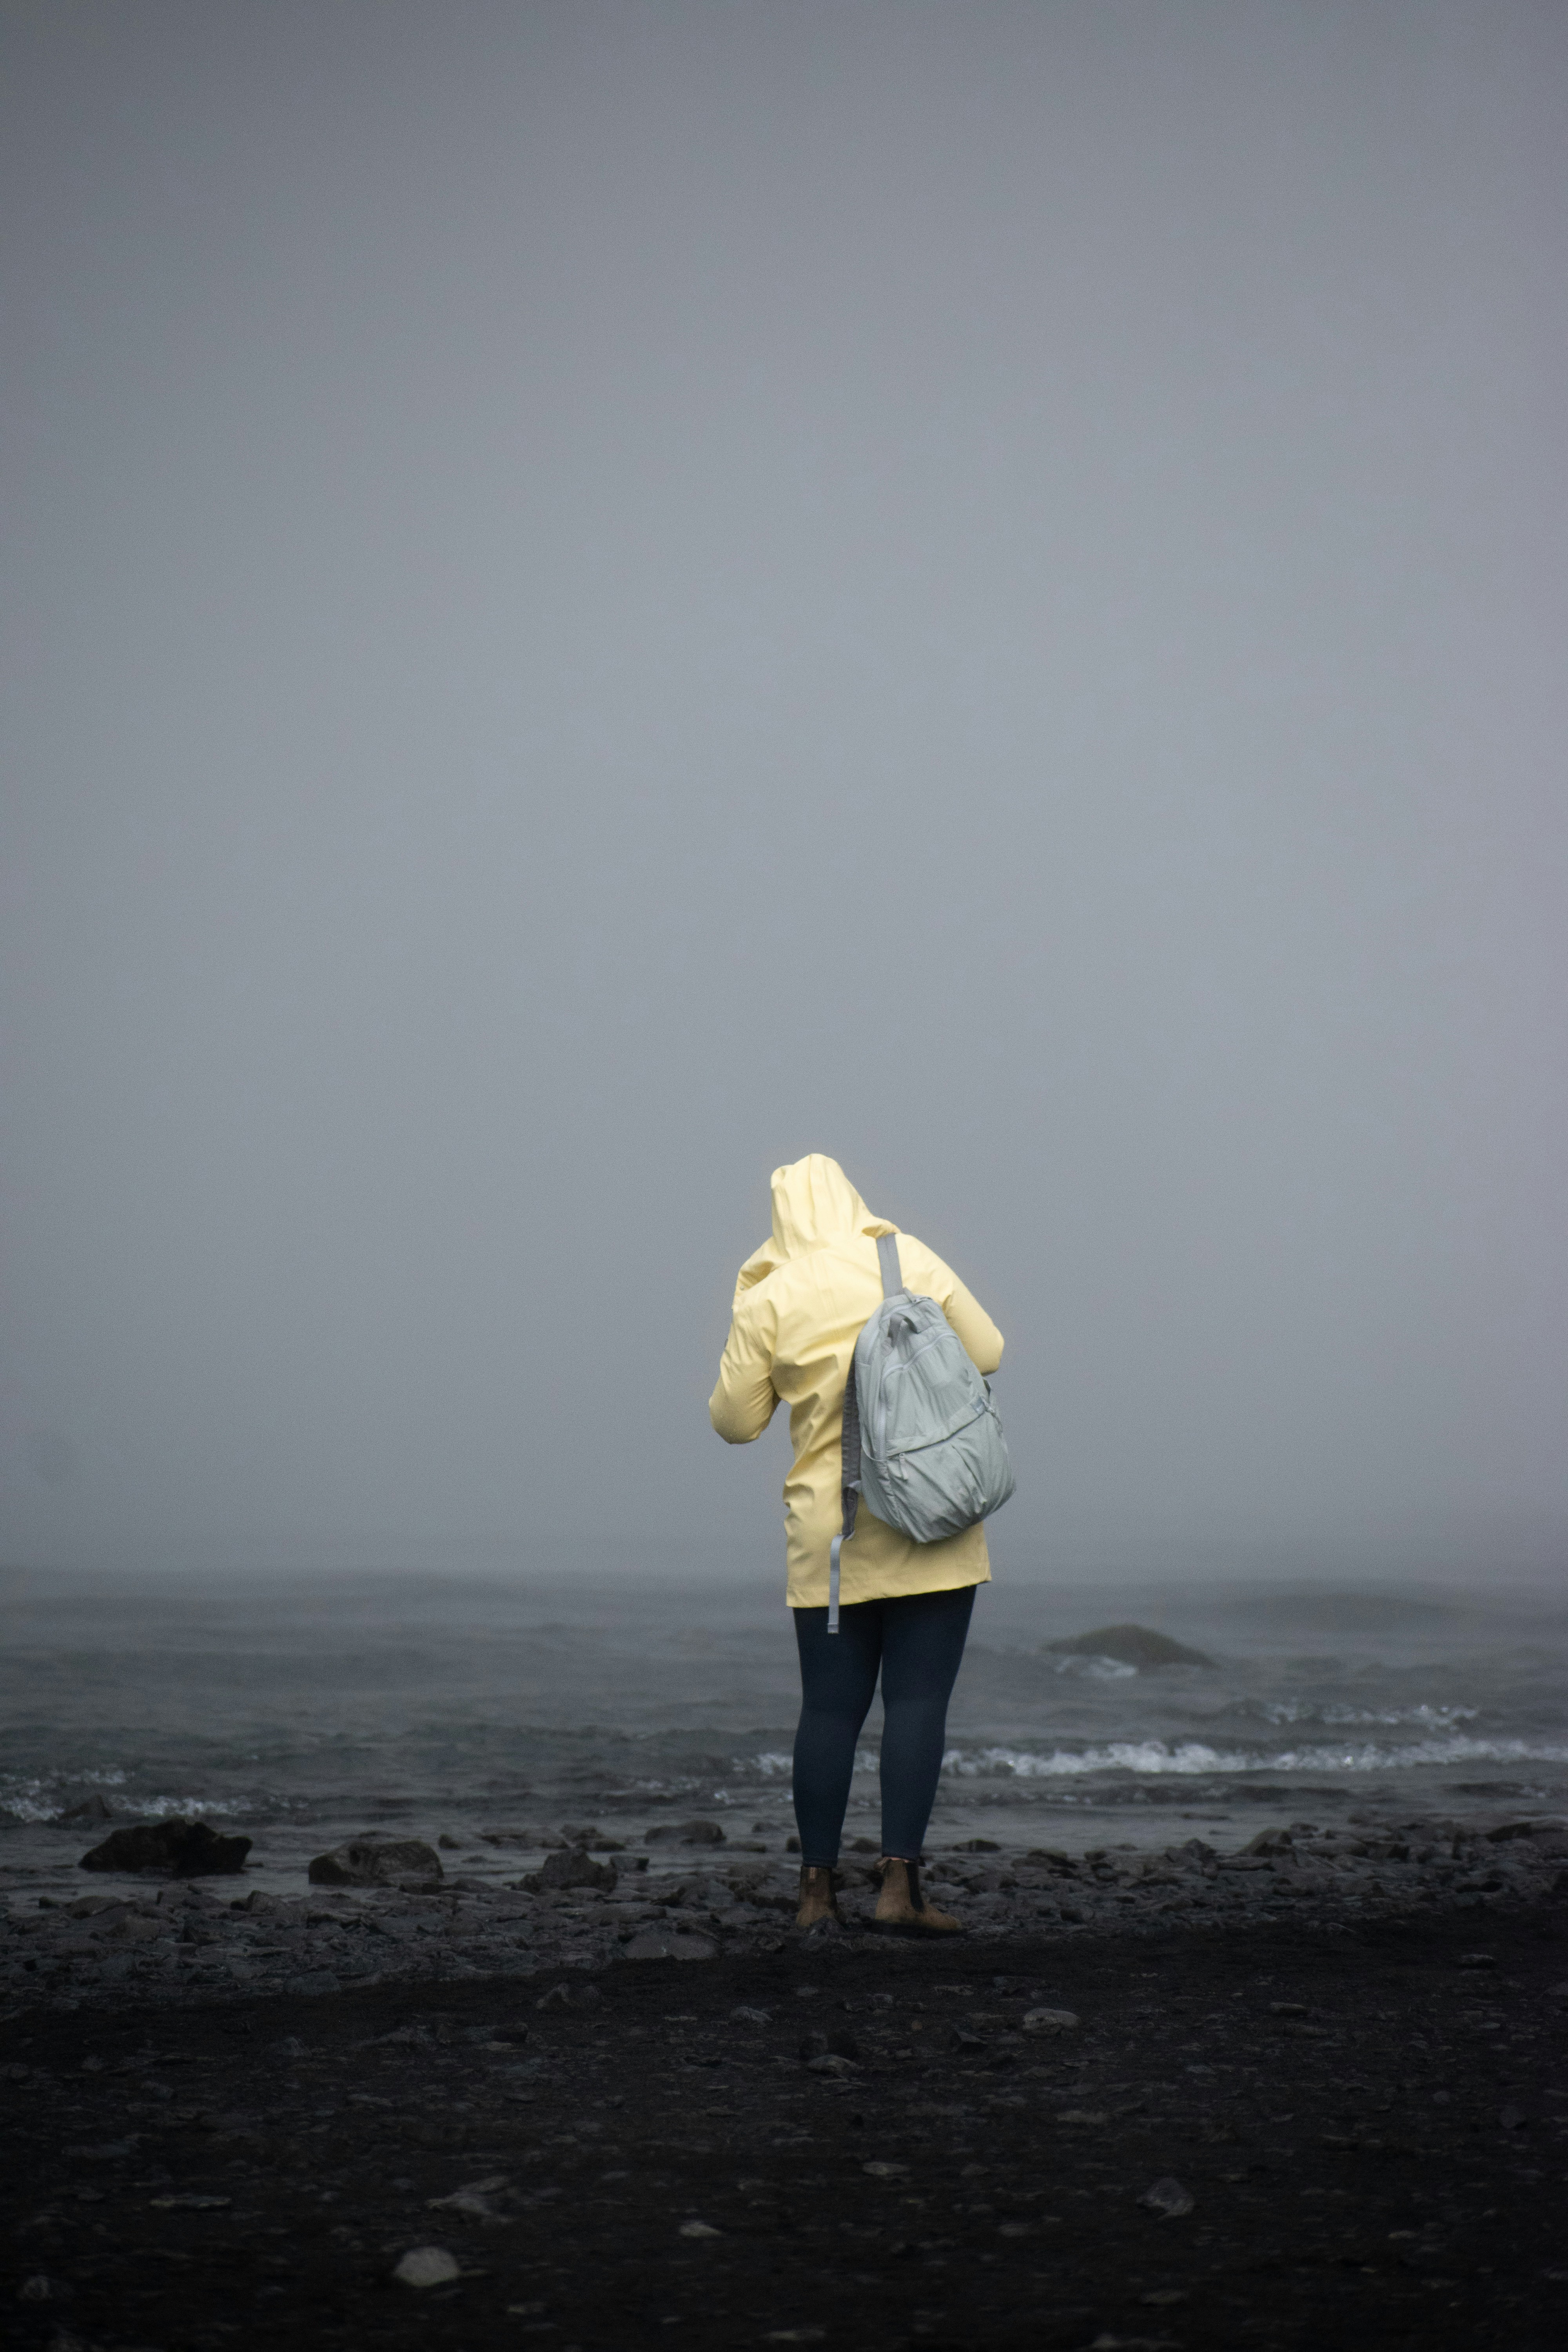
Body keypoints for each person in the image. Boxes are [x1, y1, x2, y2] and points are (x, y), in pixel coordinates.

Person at [709, 1153, 1005, 1934]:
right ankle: (898, 1891)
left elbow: (736, 1423)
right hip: (934, 1512)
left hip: (828, 1535)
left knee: (829, 1712)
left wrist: (750, 1296)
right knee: (916, 1702)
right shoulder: (907, 1257)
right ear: (850, 1201)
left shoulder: (768, 1297)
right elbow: (988, 1353)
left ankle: (814, 1896)